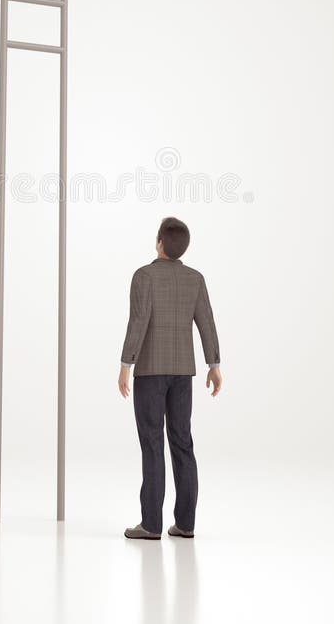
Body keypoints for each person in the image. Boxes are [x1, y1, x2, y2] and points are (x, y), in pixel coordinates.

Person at [118, 216, 222, 540]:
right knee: (182, 443)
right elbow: (206, 321)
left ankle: (150, 524)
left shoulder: (144, 276)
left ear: (160, 242)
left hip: (149, 372)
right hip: (183, 373)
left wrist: (125, 364)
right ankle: (186, 524)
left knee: (152, 445)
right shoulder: (195, 279)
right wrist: (214, 364)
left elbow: (138, 322)